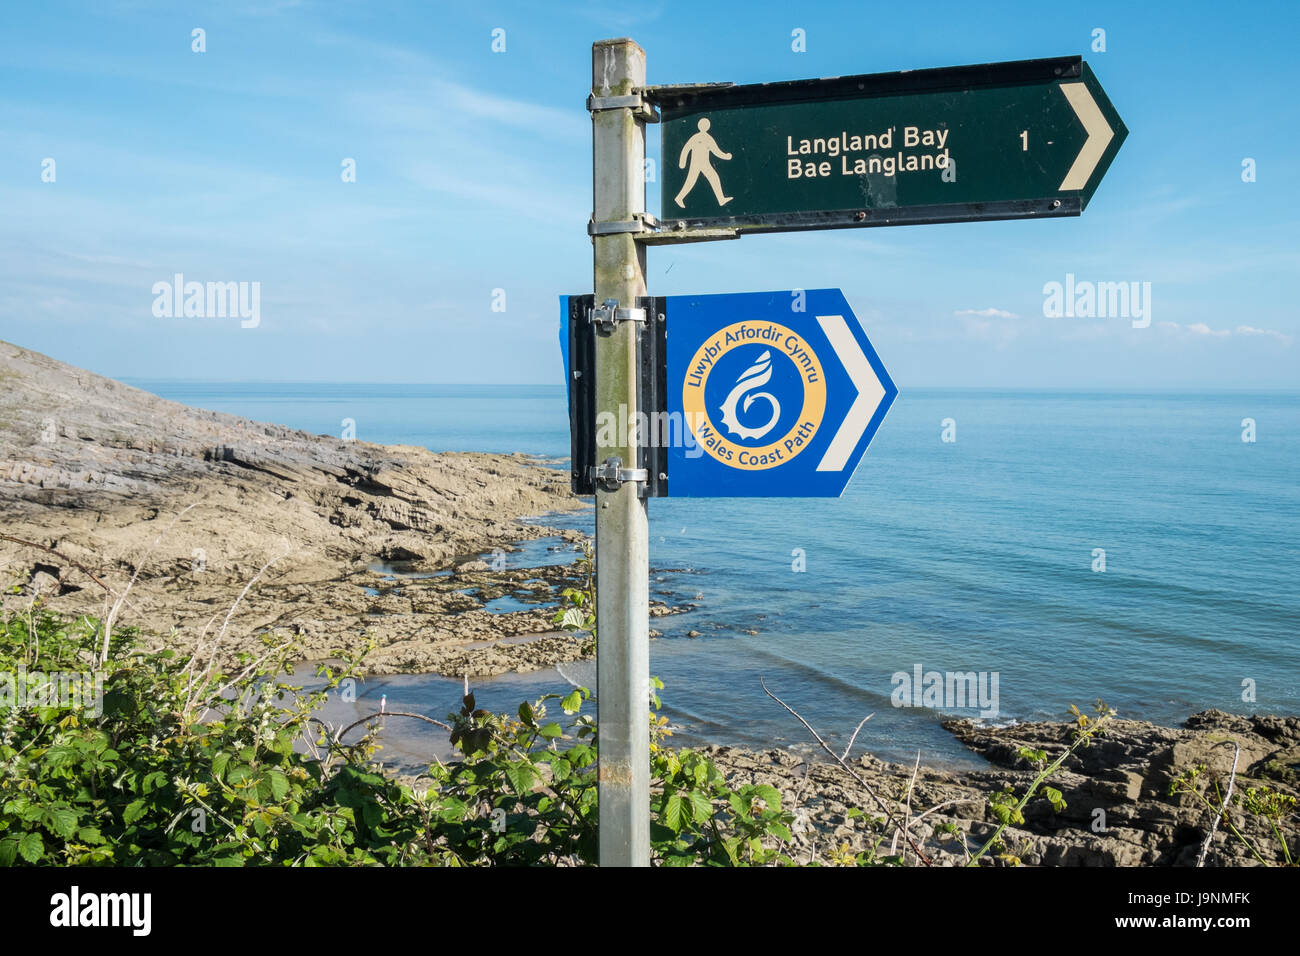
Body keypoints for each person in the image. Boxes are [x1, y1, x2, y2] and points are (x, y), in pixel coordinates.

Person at [674, 117, 733, 208]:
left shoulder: (708, 138)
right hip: (696, 164)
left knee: (714, 178)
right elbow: (686, 148)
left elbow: (716, 150)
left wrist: (726, 156)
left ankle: (721, 199)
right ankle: (679, 198)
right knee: (691, 181)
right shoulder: (696, 137)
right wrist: (682, 162)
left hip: (705, 163)